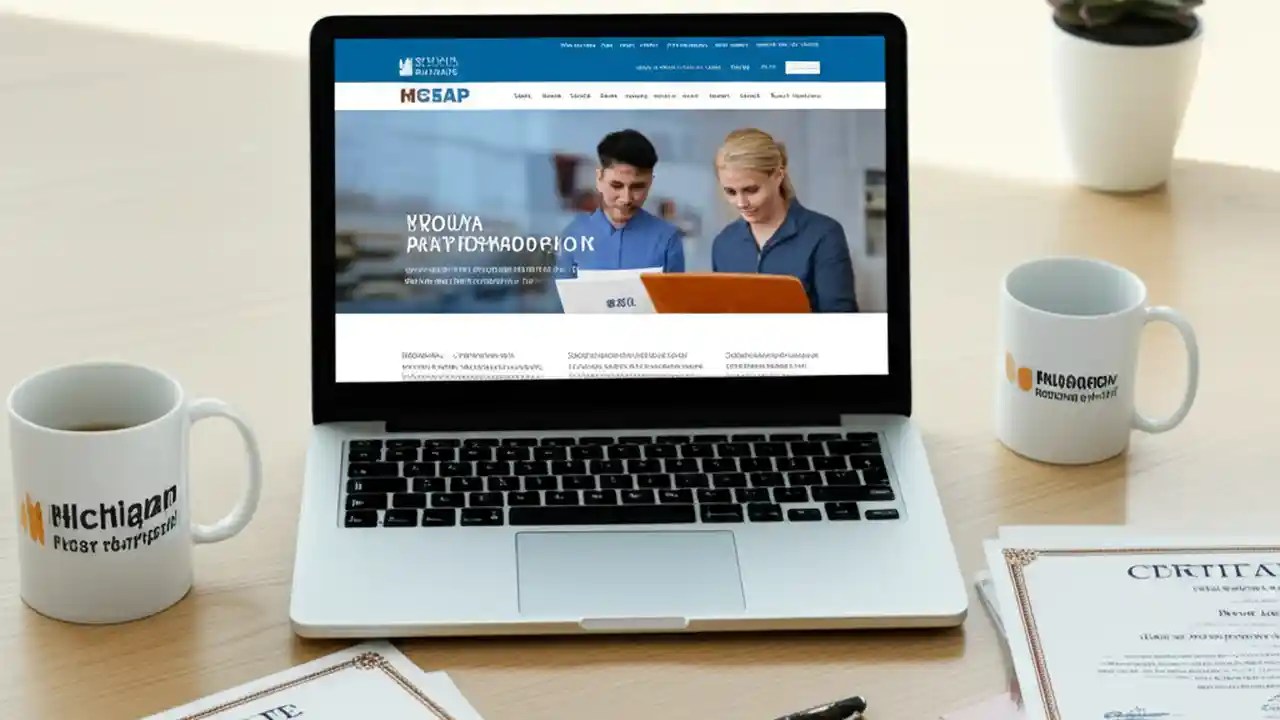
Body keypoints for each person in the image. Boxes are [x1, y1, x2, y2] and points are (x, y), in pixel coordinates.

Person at [709, 128, 858, 312]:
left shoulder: (824, 235)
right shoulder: (724, 243)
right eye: (730, 192)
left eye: (751, 190)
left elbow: (841, 322)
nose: (741, 203)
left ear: (778, 175)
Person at [558, 129, 685, 275]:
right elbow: (561, 294)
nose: (626, 198)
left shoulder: (667, 239)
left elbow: (674, 297)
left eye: (637, 187)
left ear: (650, 183)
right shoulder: (574, 235)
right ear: (600, 179)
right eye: (616, 185)